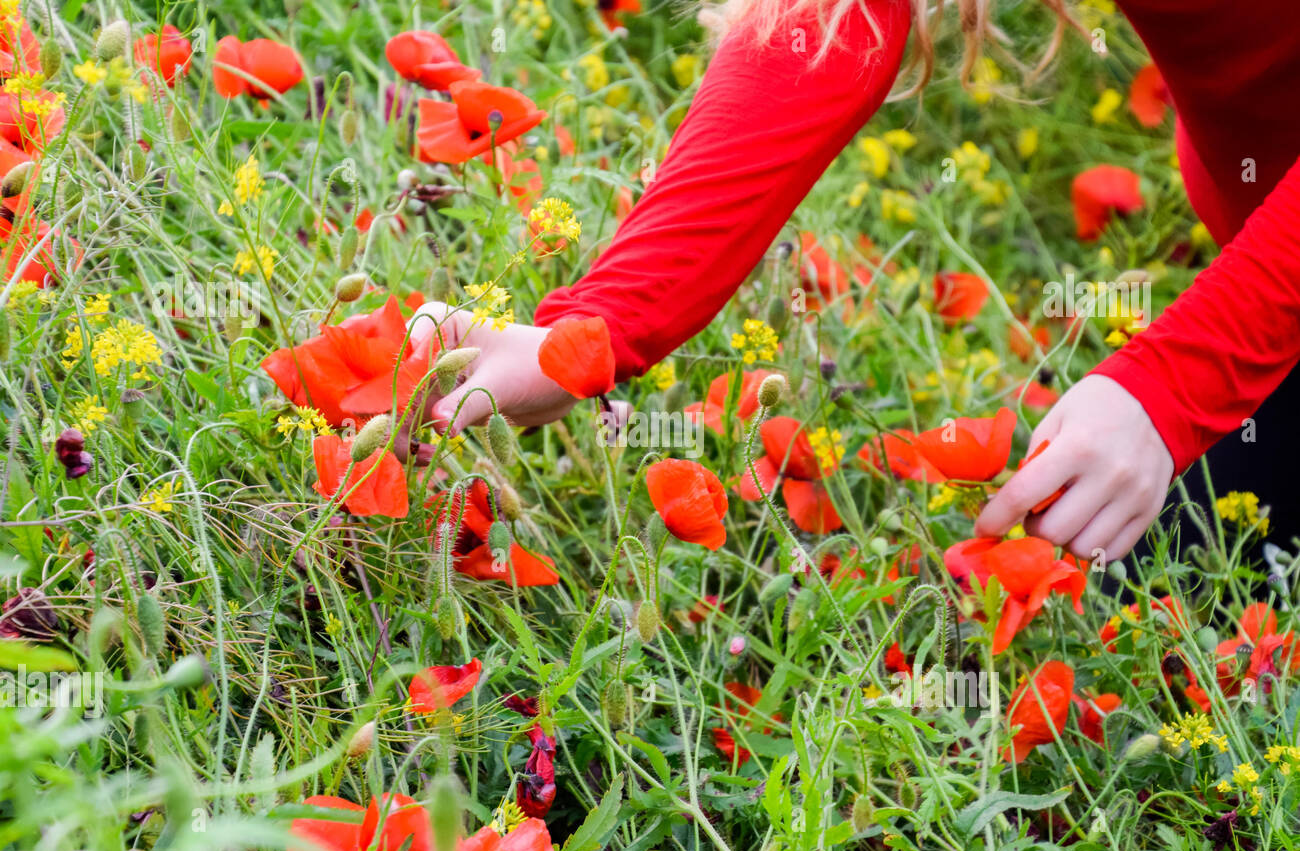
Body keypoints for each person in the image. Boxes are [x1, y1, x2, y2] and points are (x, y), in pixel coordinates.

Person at [422, 0, 1300, 563]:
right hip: (1265, 263)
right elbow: (825, 24)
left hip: (1259, 298)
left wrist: (1175, 384)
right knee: (1168, 585)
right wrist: (594, 330)